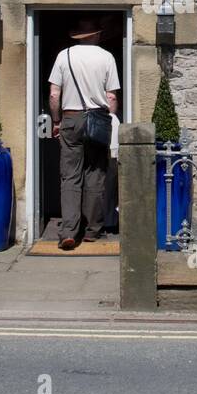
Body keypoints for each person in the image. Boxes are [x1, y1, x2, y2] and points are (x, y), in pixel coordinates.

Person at [48, 17, 120, 251]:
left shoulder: (64, 55)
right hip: (98, 118)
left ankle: (69, 231)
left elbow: (54, 95)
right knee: (95, 174)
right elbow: (111, 98)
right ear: (96, 35)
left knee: (70, 176)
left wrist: (57, 121)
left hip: (70, 118)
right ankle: (92, 231)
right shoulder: (106, 57)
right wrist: (109, 120)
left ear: (78, 36)